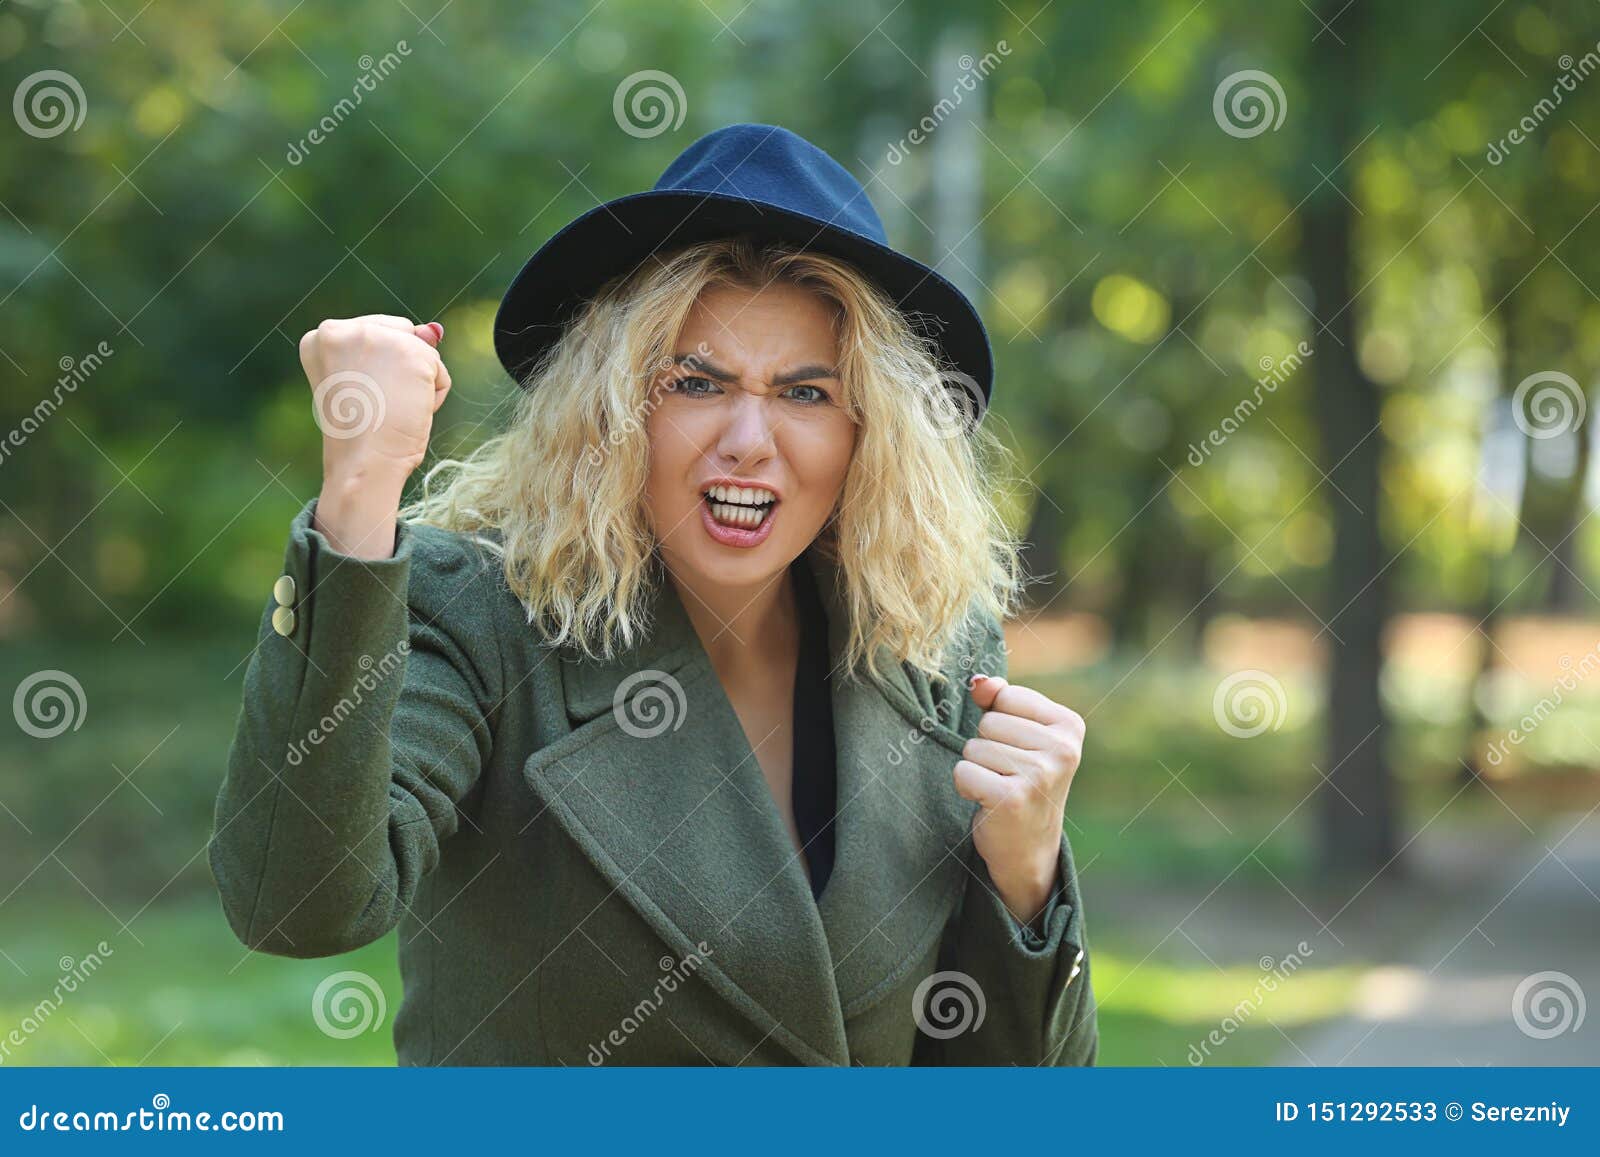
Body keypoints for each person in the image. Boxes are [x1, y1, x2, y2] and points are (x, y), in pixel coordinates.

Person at [209, 123, 1097, 1066]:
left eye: (804, 394)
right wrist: (359, 492)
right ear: (610, 409)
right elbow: (298, 902)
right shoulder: (478, 616)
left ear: (868, 434)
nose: (749, 439)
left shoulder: (931, 647)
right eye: (696, 381)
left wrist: (1028, 880)